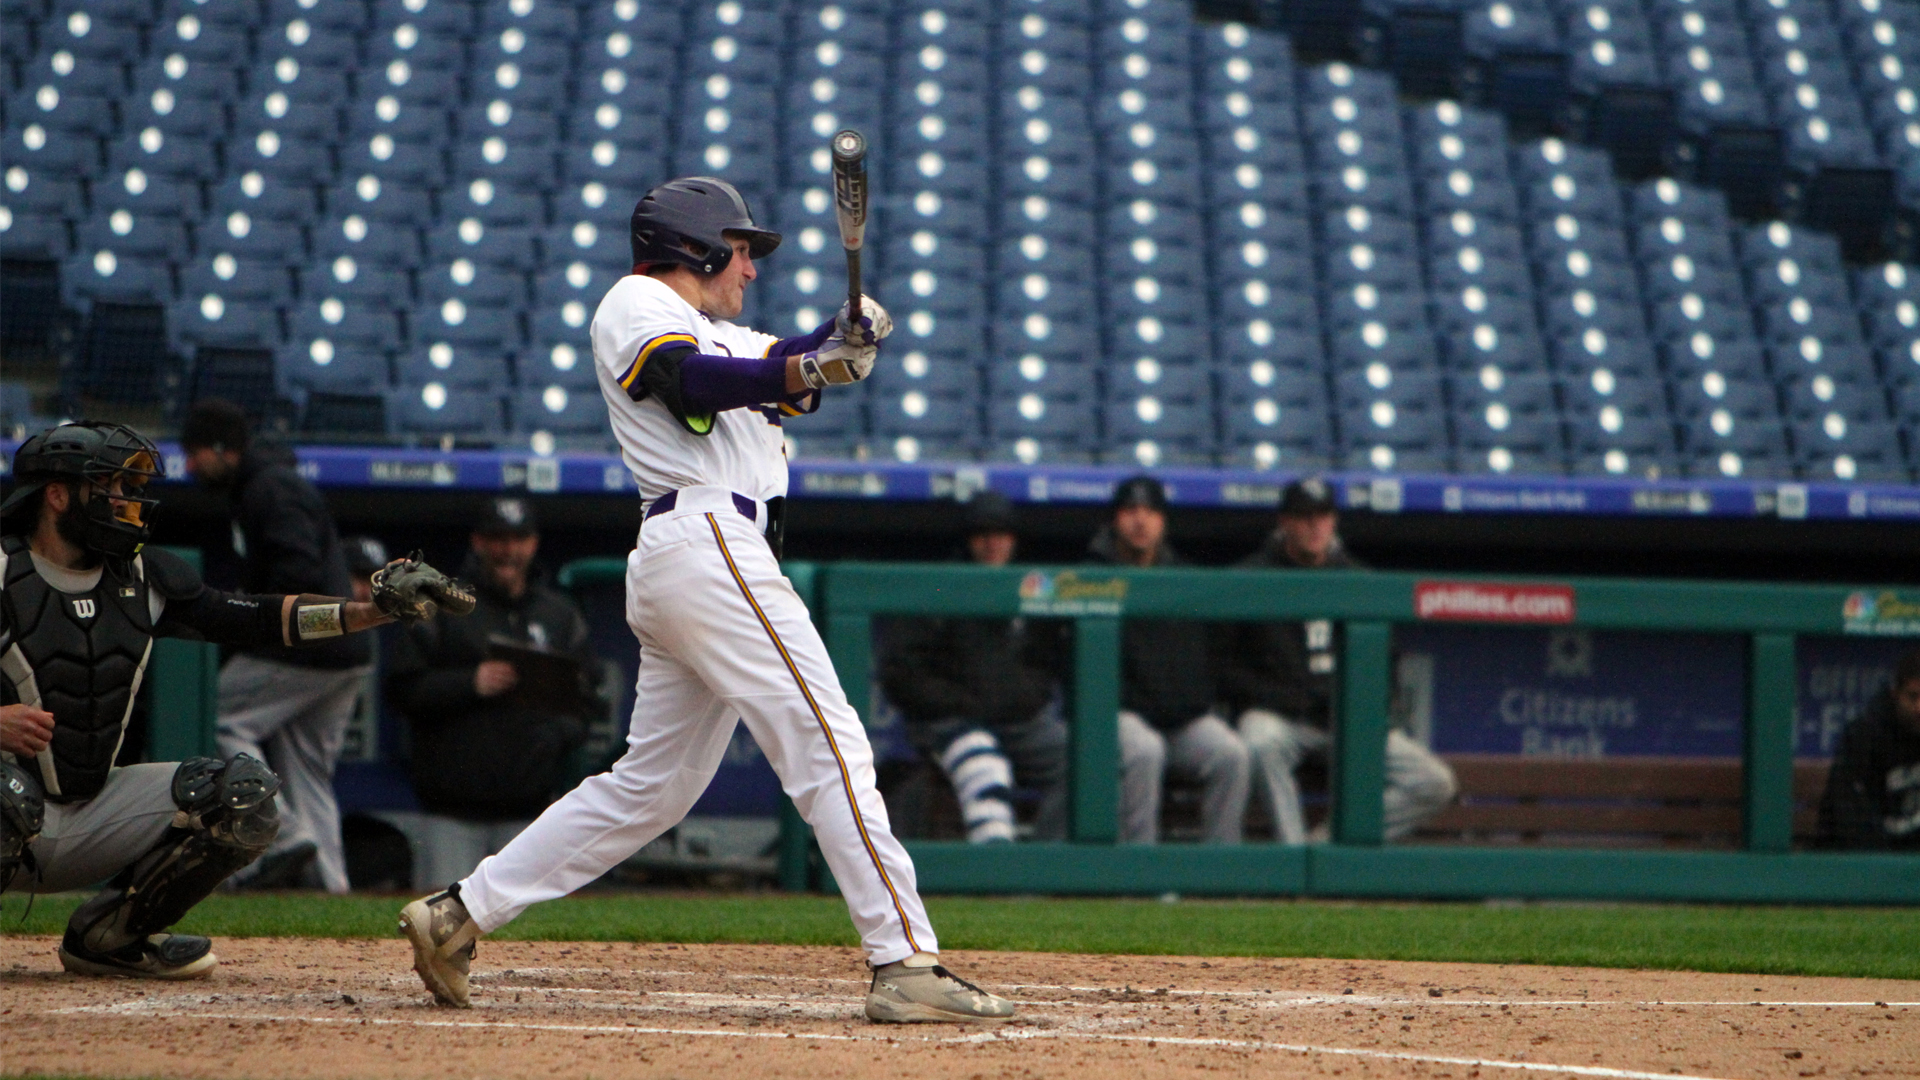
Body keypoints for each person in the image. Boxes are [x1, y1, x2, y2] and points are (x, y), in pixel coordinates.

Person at [397, 176, 1014, 1023]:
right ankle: (904, 959)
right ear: (693, 246)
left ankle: (459, 913)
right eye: (741, 250)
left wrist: (844, 334)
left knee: (653, 787)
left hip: (701, 556)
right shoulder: (637, 303)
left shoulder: (726, 334)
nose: (751, 268)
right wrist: (805, 362)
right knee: (829, 740)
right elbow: (691, 381)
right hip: (707, 539)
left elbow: (785, 366)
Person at [0, 421, 466, 978]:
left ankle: (110, 936)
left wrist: (369, 612)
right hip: (11, 807)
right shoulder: (4, 571)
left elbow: (259, 619)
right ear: (57, 495)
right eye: (111, 487)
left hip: (90, 812)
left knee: (241, 796)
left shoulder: (144, 577)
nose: (125, 501)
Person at [180, 399, 371, 893]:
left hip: (310, 643)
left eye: (196, 453)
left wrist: (256, 618)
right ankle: (332, 890)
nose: (190, 466)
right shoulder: (264, 485)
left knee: (218, 716)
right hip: (341, 649)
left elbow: (297, 570)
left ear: (222, 448)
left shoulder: (270, 487)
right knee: (306, 769)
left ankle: (283, 835)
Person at [1220, 478, 1456, 843]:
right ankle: (1293, 855)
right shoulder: (1250, 578)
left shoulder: (1359, 580)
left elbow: (1385, 664)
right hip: (1284, 719)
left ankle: (1323, 845)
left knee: (1435, 782)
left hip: (1345, 721)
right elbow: (1225, 668)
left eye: (1323, 515)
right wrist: (1291, 699)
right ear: (1284, 521)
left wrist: (1363, 713)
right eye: (1305, 517)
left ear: (1334, 520)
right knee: (1259, 739)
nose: (1315, 525)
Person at [385, 497, 600, 888]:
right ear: (478, 542)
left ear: (533, 544)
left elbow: (587, 701)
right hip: (450, 812)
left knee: (528, 925)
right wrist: (470, 683)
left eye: (518, 539)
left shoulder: (558, 615)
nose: (508, 550)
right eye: (498, 539)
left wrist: (548, 739)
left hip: (531, 813)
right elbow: (401, 690)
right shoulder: (442, 607)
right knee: (443, 915)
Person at [879, 492, 1070, 843]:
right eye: (983, 534)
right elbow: (902, 672)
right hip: (952, 722)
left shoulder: (1029, 588)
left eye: (1001, 534)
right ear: (968, 539)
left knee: (1084, 760)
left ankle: (1044, 866)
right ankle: (998, 870)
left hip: (1020, 724)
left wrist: (1023, 698)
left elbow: (1045, 665)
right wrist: (961, 702)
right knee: (986, 769)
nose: (993, 543)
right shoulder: (939, 587)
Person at [1087, 475, 1252, 844]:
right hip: (1119, 716)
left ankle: (1221, 866)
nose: (1140, 520)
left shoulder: (1184, 578)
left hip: (1178, 720)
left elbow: (1213, 656)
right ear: (1115, 519)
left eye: (1150, 512)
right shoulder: (1092, 576)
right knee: (1145, 750)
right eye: (1131, 511)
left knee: (1232, 754)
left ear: (1163, 520)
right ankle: (1139, 866)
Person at [1818, 646, 1920, 850]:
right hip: (1866, 861)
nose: (1919, 708)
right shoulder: (1864, 735)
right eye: (1912, 697)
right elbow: (1847, 816)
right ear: (1895, 695)